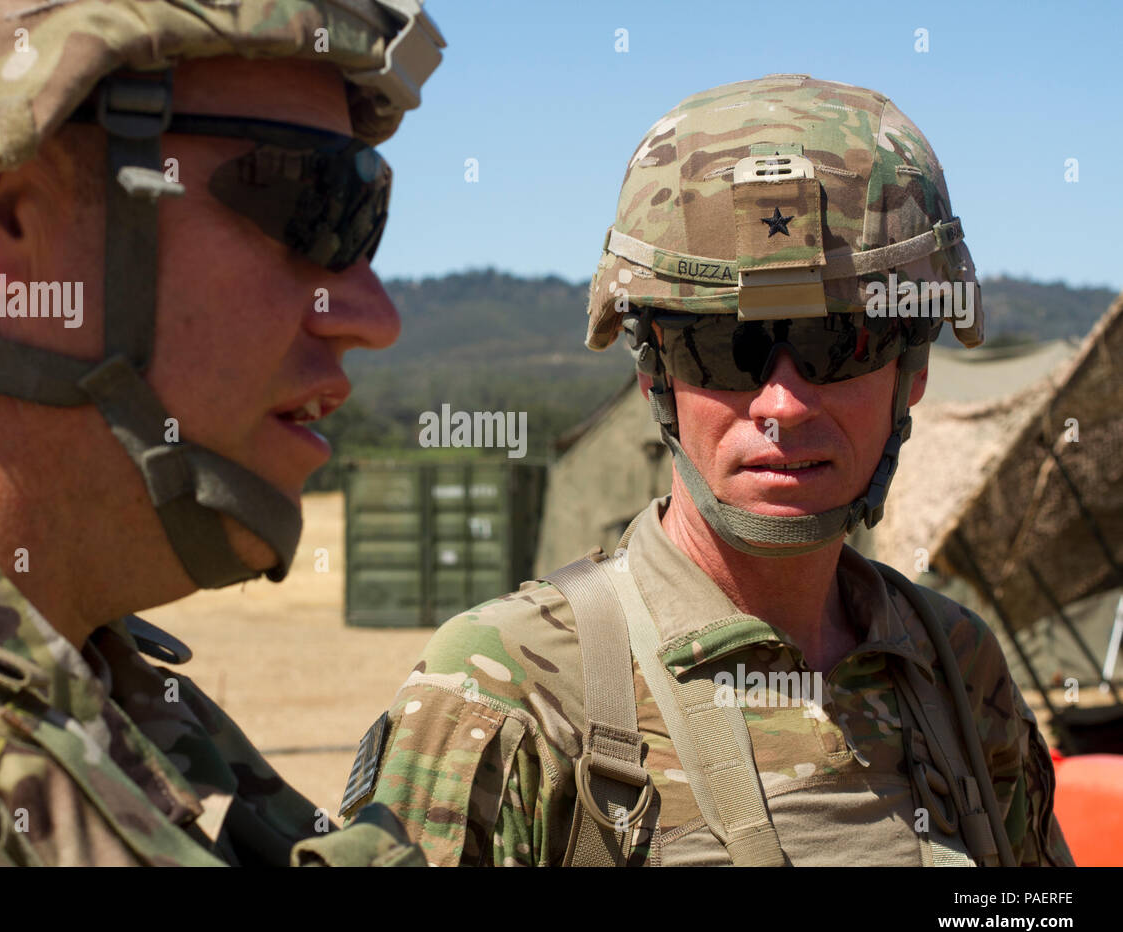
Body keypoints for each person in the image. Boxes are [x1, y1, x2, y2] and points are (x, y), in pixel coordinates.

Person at [343, 74, 1074, 867]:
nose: (783, 404)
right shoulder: (512, 688)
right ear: (656, 375)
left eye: (841, 343)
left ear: (913, 371)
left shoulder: (957, 669)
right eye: (725, 347)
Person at [0, 0, 443, 866]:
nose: (374, 319)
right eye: (314, 201)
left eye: (366, 213)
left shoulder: (102, 699)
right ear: (1, 206)